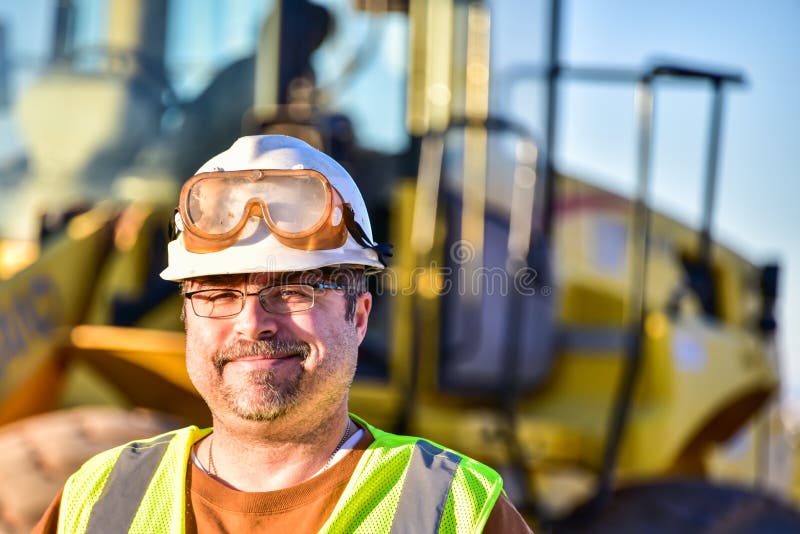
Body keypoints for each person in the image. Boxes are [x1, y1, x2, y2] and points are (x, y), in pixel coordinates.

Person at [34, 135, 533, 533]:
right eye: (218, 294)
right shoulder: (96, 501)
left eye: (295, 290)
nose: (253, 323)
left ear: (358, 316)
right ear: (186, 317)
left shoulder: (454, 511)